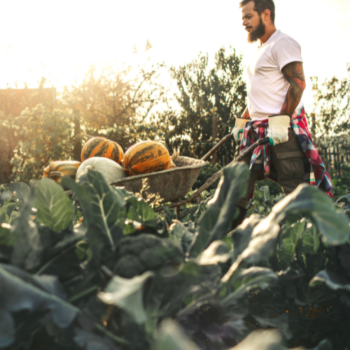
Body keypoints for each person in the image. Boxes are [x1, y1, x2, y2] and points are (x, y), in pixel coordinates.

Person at [231, 0, 333, 228]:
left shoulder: (283, 44)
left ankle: (312, 245)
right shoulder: (257, 50)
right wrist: (242, 121)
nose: (244, 22)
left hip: (282, 132)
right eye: (243, 17)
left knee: (295, 195)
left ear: (265, 14)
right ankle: (226, 245)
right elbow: (260, 95)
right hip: (256, 134)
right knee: (235, 190)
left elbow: (298, 84)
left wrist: (280, 122)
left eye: (248, 16)